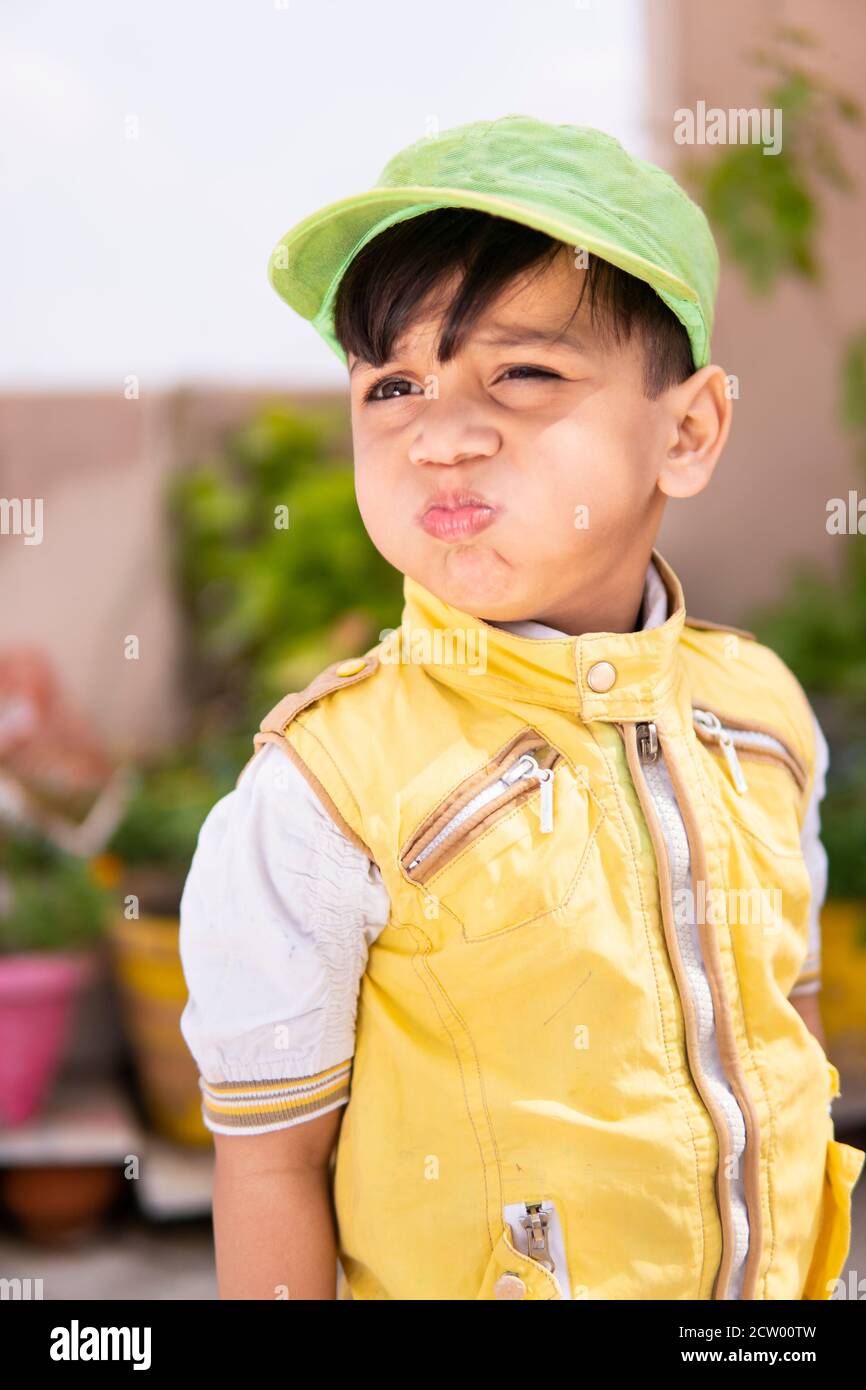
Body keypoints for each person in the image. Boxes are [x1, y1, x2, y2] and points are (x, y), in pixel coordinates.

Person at [178, 115, 864, 1301]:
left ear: (686, 430)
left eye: (521, 373)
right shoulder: (325, 788)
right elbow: (271, 1165)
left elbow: (785, 1030)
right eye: (391, 384)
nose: (440, 436)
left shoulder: (760, 715)